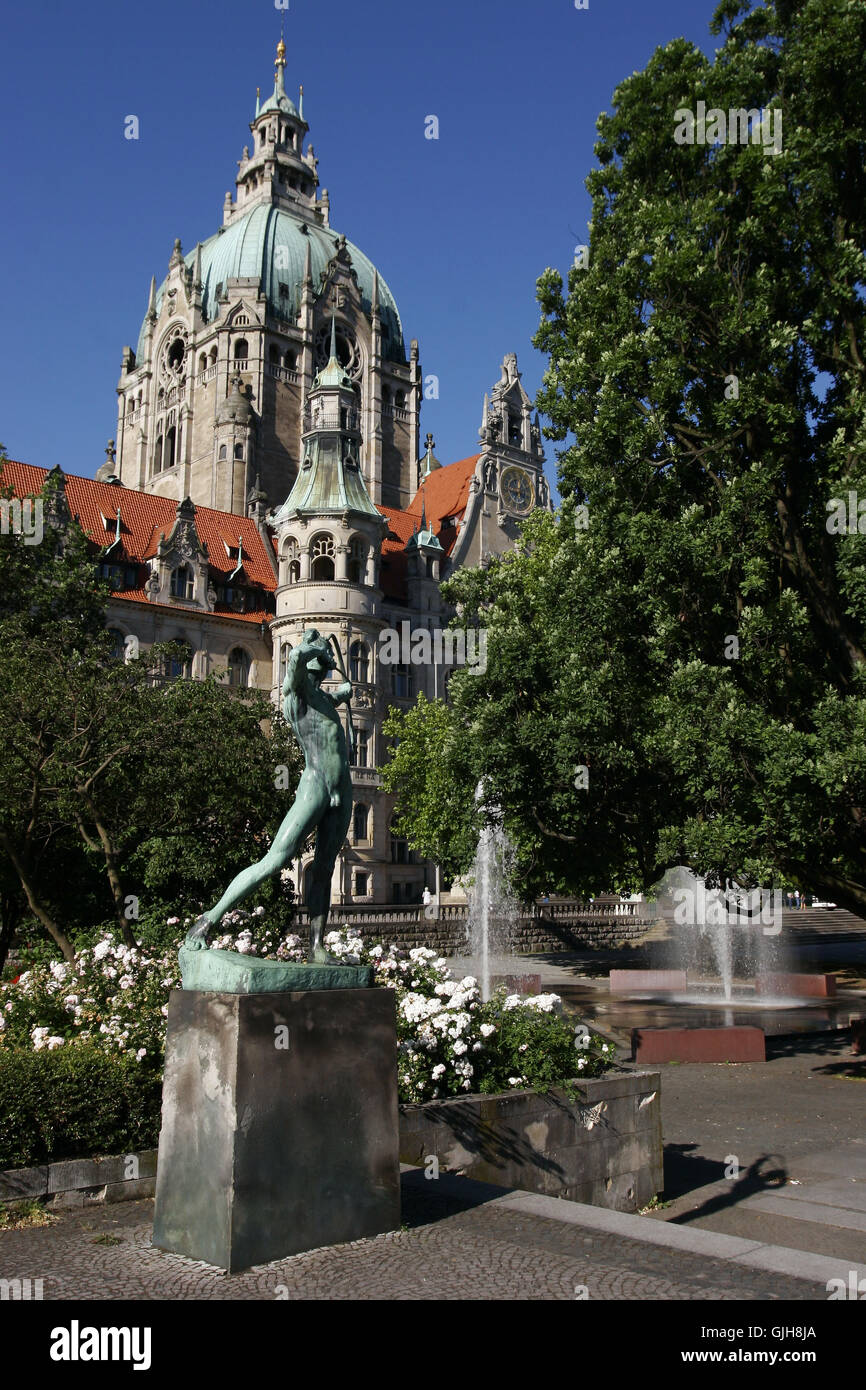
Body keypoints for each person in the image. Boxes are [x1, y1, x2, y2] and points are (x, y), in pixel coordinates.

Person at [186, 628, 353, 963]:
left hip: (342, 791)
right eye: (321, 665)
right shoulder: (295, 696)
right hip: (315, 786)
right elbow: (294, 660)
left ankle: (317, 947)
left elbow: (335, 696)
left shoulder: (322, 698)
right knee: (275, 859)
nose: (324, 669)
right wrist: (312, 646)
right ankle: (209, 919)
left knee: (324, 870)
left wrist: (343, 691)